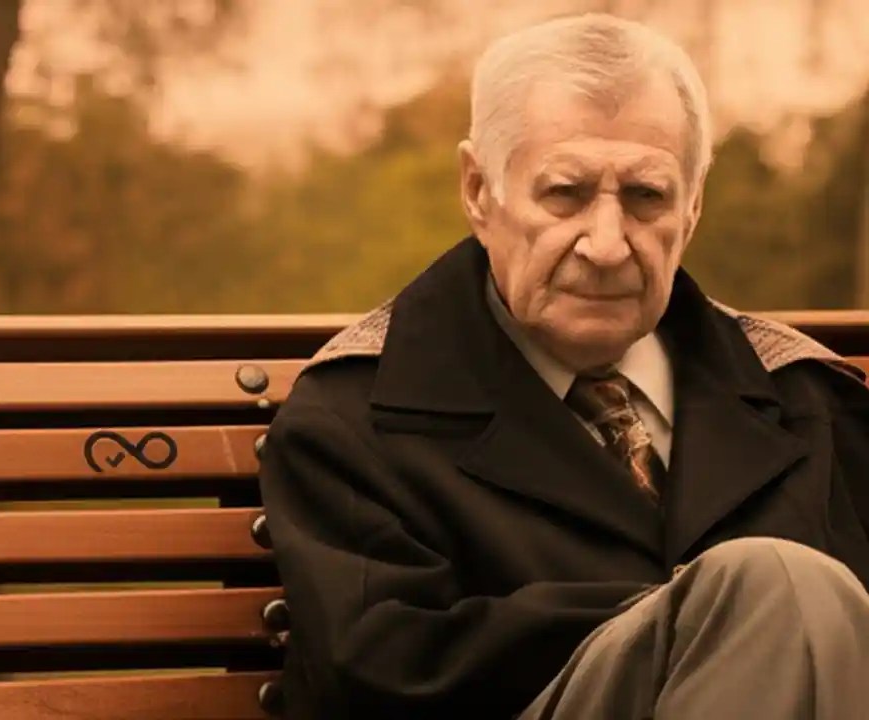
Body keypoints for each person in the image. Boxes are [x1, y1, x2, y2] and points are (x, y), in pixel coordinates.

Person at [258, 12, 869, 720]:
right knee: (773, 584)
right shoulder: (353, 422)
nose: (607, 244)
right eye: (566, 194)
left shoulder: (808, 401)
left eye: (646, 196)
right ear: (479, 191)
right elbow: (377, 680)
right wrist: (695, 619)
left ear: (694, 204)